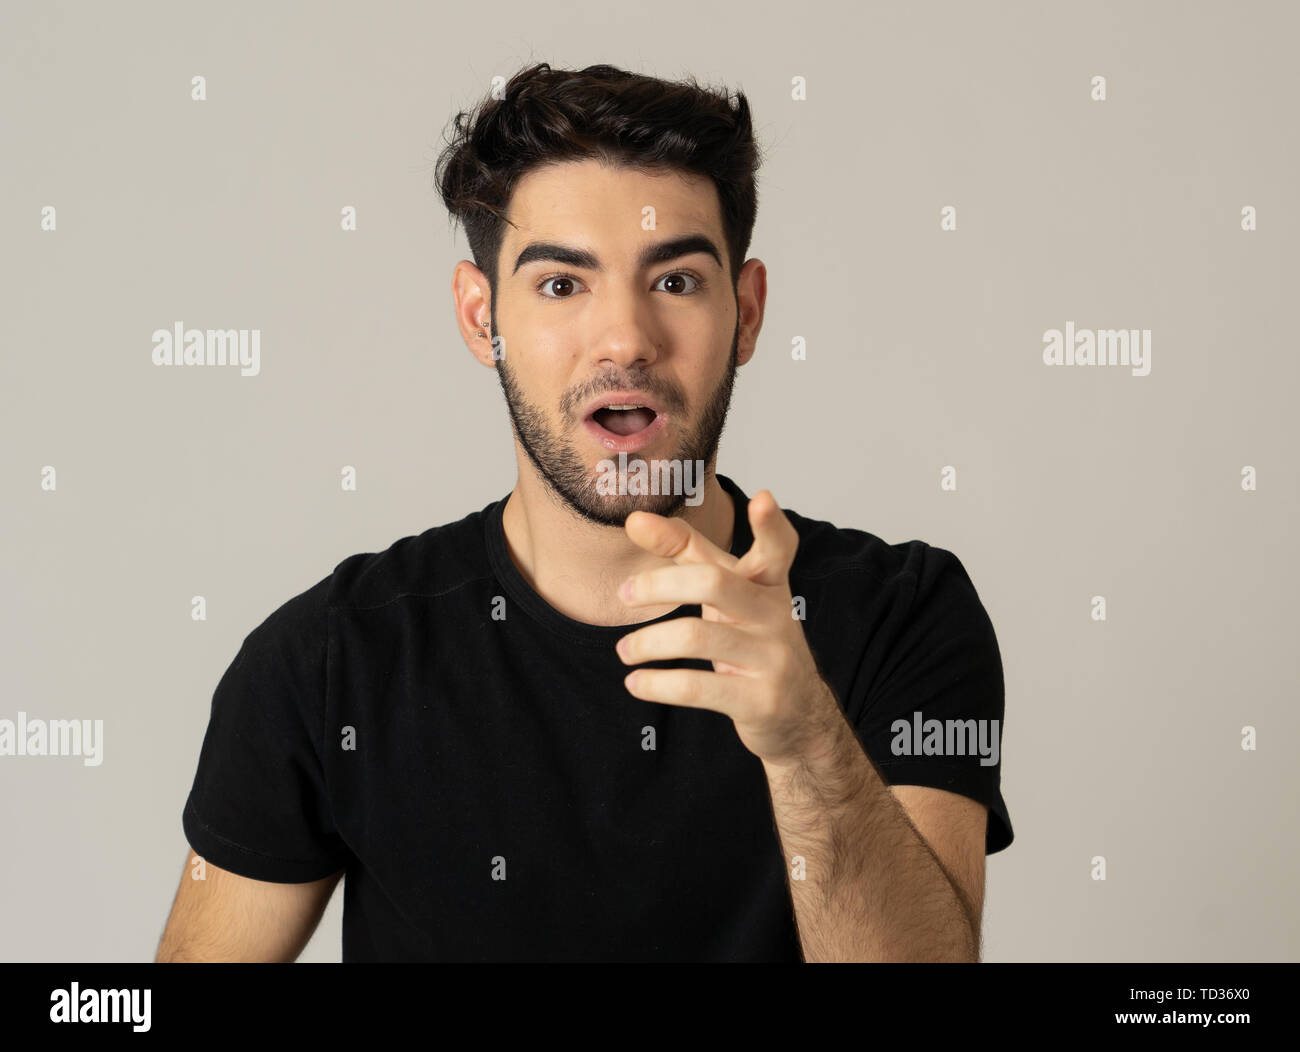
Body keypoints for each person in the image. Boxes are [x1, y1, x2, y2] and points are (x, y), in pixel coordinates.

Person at [156, 62, 1012, 963]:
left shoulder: (904, 616)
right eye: (562, 285)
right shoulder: (329, 664)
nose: (625, 341)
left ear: (748, 312)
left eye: (676, 281)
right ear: (480, 316)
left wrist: (805, 745)